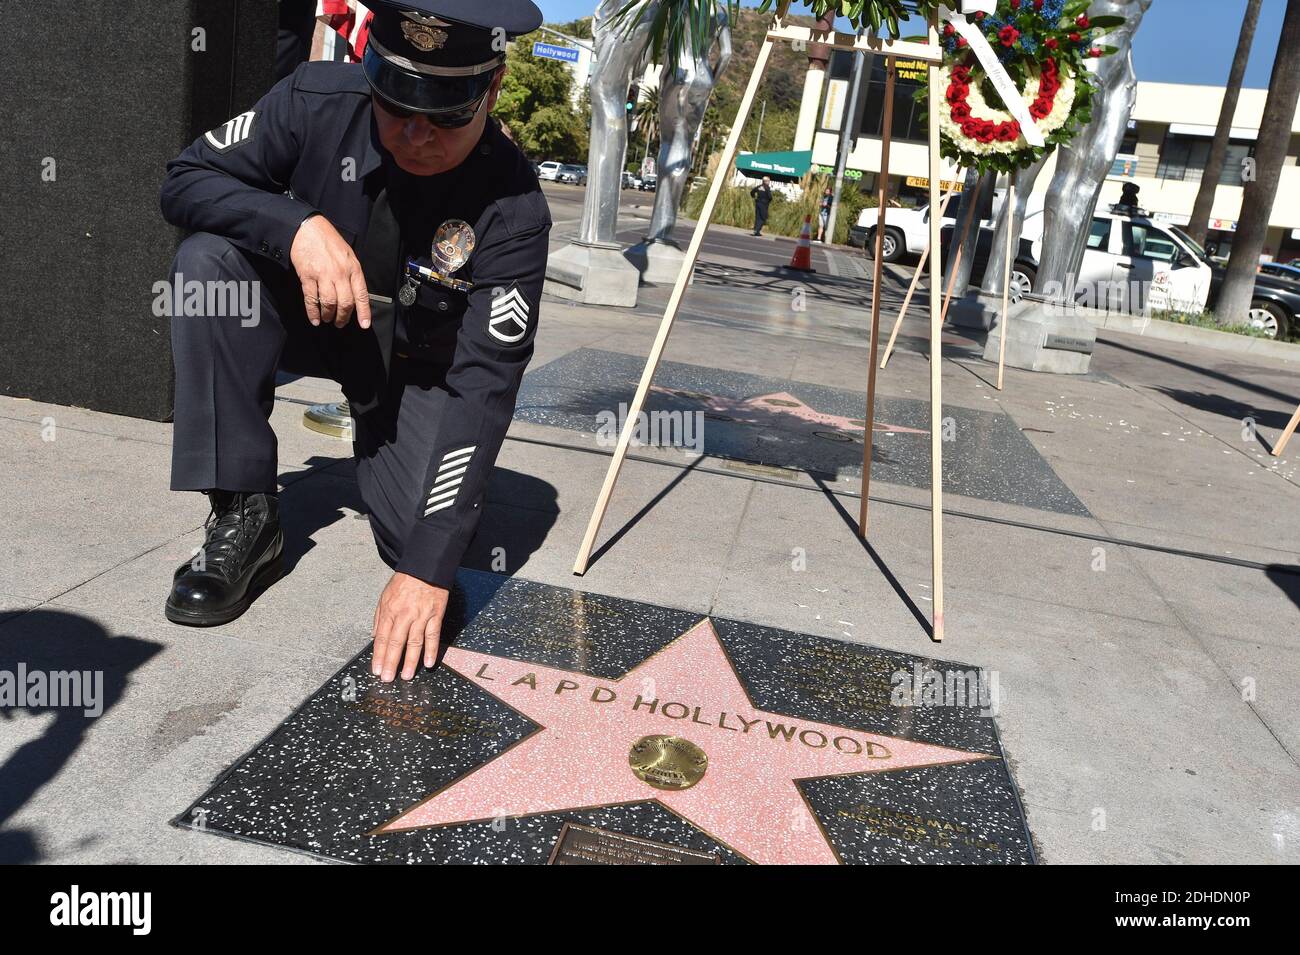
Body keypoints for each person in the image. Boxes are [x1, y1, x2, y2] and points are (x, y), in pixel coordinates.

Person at [159, 0, 549, 685]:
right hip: (302, 318)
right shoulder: (315, 100)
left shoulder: (513, 208)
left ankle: (377, 441)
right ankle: (244, 509)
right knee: (208, 261)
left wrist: (426, 570)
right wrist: (292, 224)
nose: (416, 135)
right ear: (370, 76)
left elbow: (484, 388)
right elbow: (186, 179)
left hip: (408, 373)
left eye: (445, 113)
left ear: (490, 88)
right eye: (397, 105)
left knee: (423, 539)